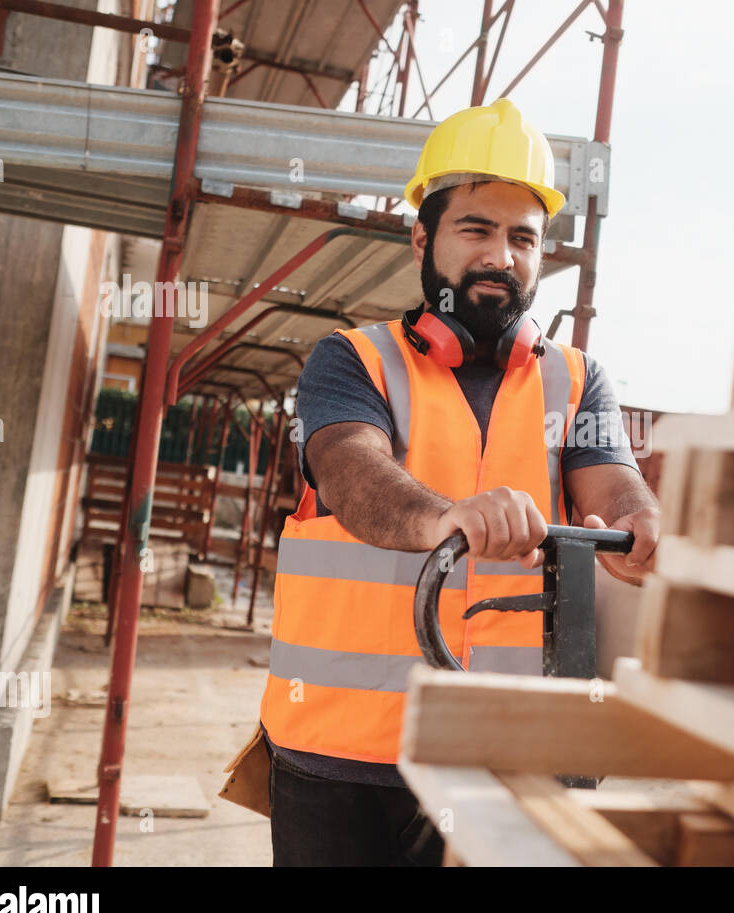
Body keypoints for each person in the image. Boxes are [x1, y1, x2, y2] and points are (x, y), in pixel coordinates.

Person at [258, 98, 660, 866]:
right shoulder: (353, 360)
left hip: (503, 753)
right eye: (476, 230)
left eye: (523, 238)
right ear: (423, 239)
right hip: (340, 753)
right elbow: (350, 470)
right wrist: (446, 518)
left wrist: (639, 522)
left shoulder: (578, 380)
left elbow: (613, 483)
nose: (501, 256)